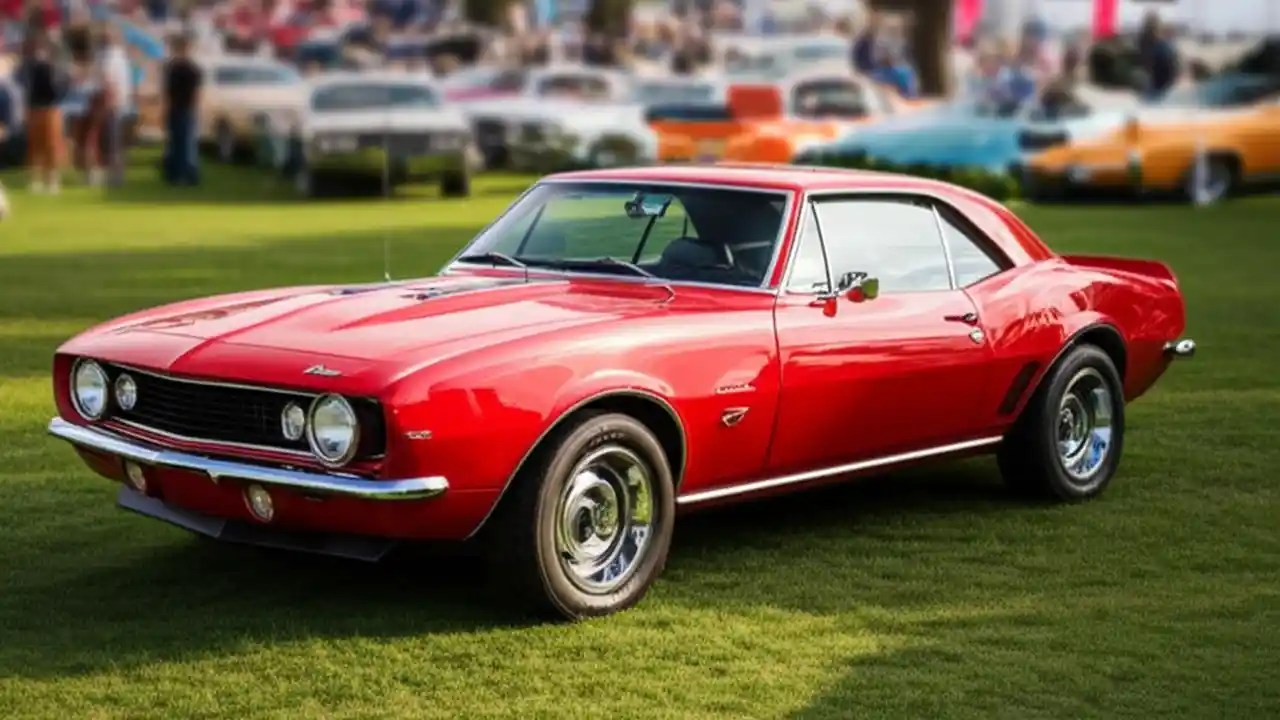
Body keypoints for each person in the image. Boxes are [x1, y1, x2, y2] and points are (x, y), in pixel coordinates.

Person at [17, 33, 66, 193]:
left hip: (51, 108)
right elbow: (23, 87)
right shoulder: (28, 67)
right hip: (34, 108)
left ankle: (52, 179)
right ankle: (35, 179)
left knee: (51, 144)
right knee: (34, 145)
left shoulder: (54, 68)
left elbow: (60, 88)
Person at [161, 33, 201, 186]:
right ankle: (177, 173)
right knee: (177, 142)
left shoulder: (189, 69)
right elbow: (167, 92)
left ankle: (185, 174)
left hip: (185, 109)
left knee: (185, 143)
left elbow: (196, 93)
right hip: (178, 109)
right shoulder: (173, 68)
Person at [99, 24, 131, 187]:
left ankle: (116, 177)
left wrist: (108, 104)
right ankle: (117, 175)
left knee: (113, 142)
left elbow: (109, 82)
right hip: (122, 103)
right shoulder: (122, 57)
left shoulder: (110, 57)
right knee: (116, 142)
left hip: (113, 104)